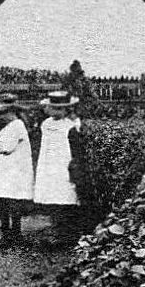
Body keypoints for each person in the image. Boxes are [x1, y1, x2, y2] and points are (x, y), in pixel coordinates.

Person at [33, 89, 89, 246]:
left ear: (67, 109)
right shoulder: (46, 124)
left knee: (65, 197)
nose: (56, 111)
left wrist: (74, 165)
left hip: (63, 165)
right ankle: (55, 229)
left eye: (60, 108)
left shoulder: (70, 126)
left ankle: (66, 234)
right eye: (53, 108)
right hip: (48, 164)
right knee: (51, 197)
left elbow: (76, 149)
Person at [0, 93, 34, 249]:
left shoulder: (17, 125)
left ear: (12, 112)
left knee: (13, 202)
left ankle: (16, 234)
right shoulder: (5, 127)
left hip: (15, 171)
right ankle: (6, 233)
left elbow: (5, 148)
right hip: (3, 171)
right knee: (3, 201)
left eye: (3, 113)